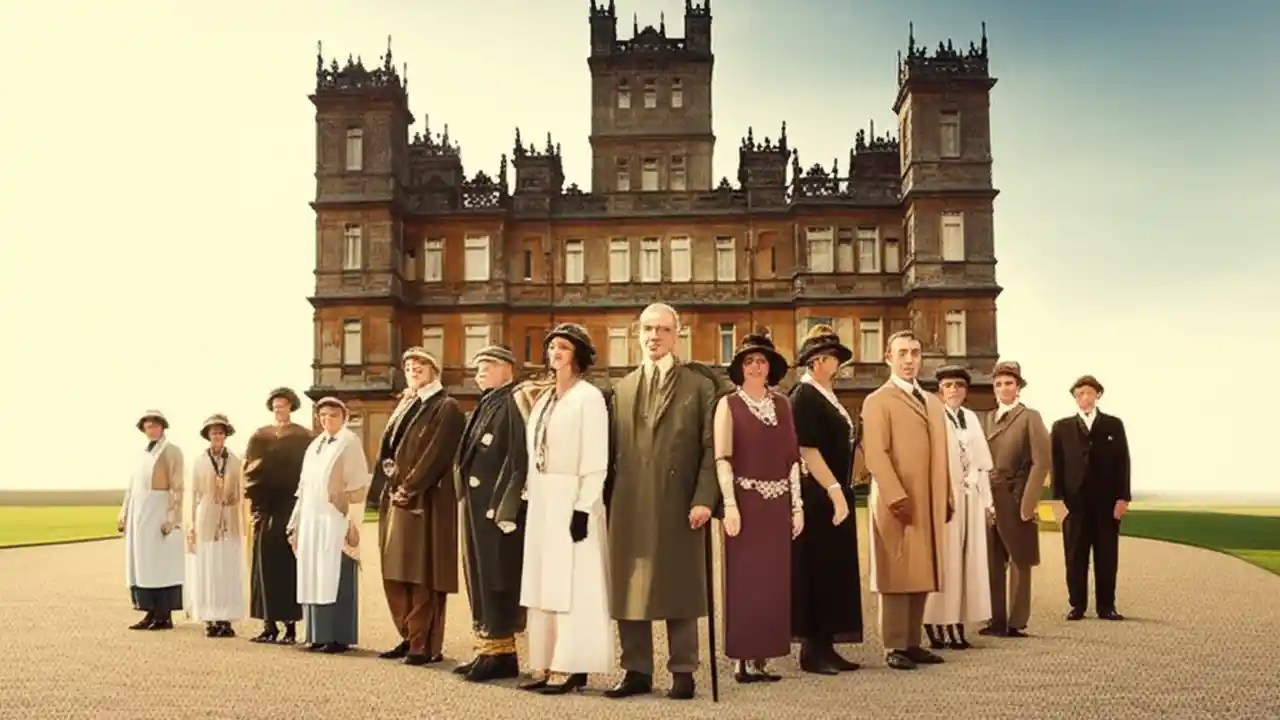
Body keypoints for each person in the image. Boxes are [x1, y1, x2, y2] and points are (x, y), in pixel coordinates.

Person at [606, 303, 721, 701]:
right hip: (628, 501)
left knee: (680, 583)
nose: (654, 336)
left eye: (663, 329)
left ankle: (683, 670)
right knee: (629, 586)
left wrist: (706, 498)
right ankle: (636, 669)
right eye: (647, 329)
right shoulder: (620, 390)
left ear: (677, 335)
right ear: (638, 334)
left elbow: (712, 448)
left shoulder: (699, 386)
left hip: (680, 501)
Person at [518, 323, 614, 695]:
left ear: (578, 355)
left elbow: (596, 458)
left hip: (573, 496)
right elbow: (534, 454)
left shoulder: (588, 398)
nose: (555, 353)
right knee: (543, 582)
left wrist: (584, 506)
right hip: (544, 497)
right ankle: (544, 661)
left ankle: (572, 665)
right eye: (552, 347)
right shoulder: (543, 400)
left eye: (563, 347)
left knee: (574, 583)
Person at [861, 330, 951, 670]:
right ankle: (894, 644)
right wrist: (895, 495)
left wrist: (946, 496)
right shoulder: (877, 401)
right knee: (896, 571)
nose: (910, 359)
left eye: (915, 352)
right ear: (889, 358)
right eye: (902, 353)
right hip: (895, 498)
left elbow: (944, 456)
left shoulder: (931, 401)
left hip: (928, 496)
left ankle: (913, 642)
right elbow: (876, 454)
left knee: (921, 568)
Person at [715, 332, 802, 684]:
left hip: (778, 503)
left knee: (773, 583)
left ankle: (763, 658)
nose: (755, 367)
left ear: (770, 369)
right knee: (744, 582)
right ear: (740, 368)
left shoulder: (783, 405)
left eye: (761, 361)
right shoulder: (728, 405)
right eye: (749, 362)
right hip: (745, 502)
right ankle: (742, 659)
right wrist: (730, 506)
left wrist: (797, 506)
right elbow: (722, 458)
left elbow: (791, 459)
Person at [375, 347, 466, 666]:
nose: (413, 369)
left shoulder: (446, 407)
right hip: (395, 495)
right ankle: (408, 635)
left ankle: (423, 644)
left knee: (421, 572)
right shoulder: (406, 404)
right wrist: (388, 483)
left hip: (425, 499)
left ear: (435, 370)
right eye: (409, 365)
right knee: (396, 571)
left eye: (420, 365)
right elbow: (389, 448)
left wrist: (410, 487)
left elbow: (436, 453)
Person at [453, 344, 529, 683]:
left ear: (508, 369)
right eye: (478, 365)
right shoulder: (487, 402)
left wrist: (504, 506)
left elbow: (516, 457)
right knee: (480, 578)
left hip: (495, 508)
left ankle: (500, 652)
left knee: (497, 578)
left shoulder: (512, 402)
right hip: (475, 504)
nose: (480, 370)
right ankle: (490, 650)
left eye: (489, 364)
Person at [788, 324, 861, 675]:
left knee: (834, 568)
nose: (836, 363)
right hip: (818, 495)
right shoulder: (804, 396)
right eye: (830, 357)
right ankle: (813, 650)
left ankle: (827, 645)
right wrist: (833, 491)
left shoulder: (828, 395)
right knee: (816, 568)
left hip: (836, 491)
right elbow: (807, 448)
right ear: (815, 362)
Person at [288, 396, 370, 654]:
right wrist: (296, 520)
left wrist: (351, 519)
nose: (327, 420)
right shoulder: (315, 446)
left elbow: (358, 484)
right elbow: (303, 486)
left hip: (335, 515)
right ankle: (316, 632)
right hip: (313, 515)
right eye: (322, 415)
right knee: (313, 571)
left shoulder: (349, 442)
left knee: (335, 570)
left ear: (343, 417)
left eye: (333, 415)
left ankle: (338, 635)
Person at [922, 366, 994, 650]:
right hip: (946, 496)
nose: (954, 390)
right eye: (949, 385)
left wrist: (987, 502)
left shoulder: (972, 418)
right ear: (940, 390)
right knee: (945, 561)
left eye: (959, 386)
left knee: (967, 561)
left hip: (970, 496)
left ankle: (958, 621)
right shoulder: (934, 416)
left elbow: (982, 462)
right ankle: (935, 621)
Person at [1051, 374, 1130, 622]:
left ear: (1097, 395)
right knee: (1075, 555)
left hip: (1106, 503)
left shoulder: (1113, 425)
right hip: (1074, 503)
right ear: (1074, 397)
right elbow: (1056, 465)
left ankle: (1107, 605)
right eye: (1079, 393)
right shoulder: (1061, 428)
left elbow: (1123, 462)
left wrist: (1123, 498)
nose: (1084, 397)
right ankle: (1077, 605)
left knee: (1106, 555)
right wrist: (1056, 501)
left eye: (1088, 392)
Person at [981, 361, 1050, 638]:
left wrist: (1028, 501)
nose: (1003, 388)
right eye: (998, 384)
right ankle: (996, 620)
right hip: (989, 494)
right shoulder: (985, 419)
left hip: (1016, 493)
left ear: (1018, 387)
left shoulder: (1030, 417)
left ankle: (1016, 621)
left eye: (1009, 383)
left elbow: (1042, 461)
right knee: (993, 560)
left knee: (1020, 558)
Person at [243, 387, 312, 644]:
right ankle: (268, 624)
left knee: (288, 565)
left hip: (290, 505)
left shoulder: (303, 436)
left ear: (291, 407)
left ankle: (290, 626)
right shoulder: (259, 436)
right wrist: (256, 507)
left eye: (283, 404)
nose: (279, 409)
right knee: (263, 566)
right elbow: (250, 471)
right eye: (275, 405)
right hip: (265, 507)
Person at [119, 410, 186, 630]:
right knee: (142, 564)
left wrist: (172, 517)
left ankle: (163, 614)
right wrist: (124, 512)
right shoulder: (140, 454)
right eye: (148, 427)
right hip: (139, 513)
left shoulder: (172, 451)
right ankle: (148, 610)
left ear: (162, 427)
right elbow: (132, 486)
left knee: (161, 564)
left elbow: (178, 487)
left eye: (155, 426)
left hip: (159, 510)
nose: (152, 430)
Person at [185, 414, 245, 638]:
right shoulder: (199, 461)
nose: (217, 436)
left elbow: (242, 491)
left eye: (221, 432)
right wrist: (191, 524)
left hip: (229, 515)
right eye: (213, 433)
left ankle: (226, 618)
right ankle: (209, 617)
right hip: (207, 514)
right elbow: (193, 494)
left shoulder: (236, 461)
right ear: (208, 436)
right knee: (208, 565)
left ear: (226, 435)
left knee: (227, 566)